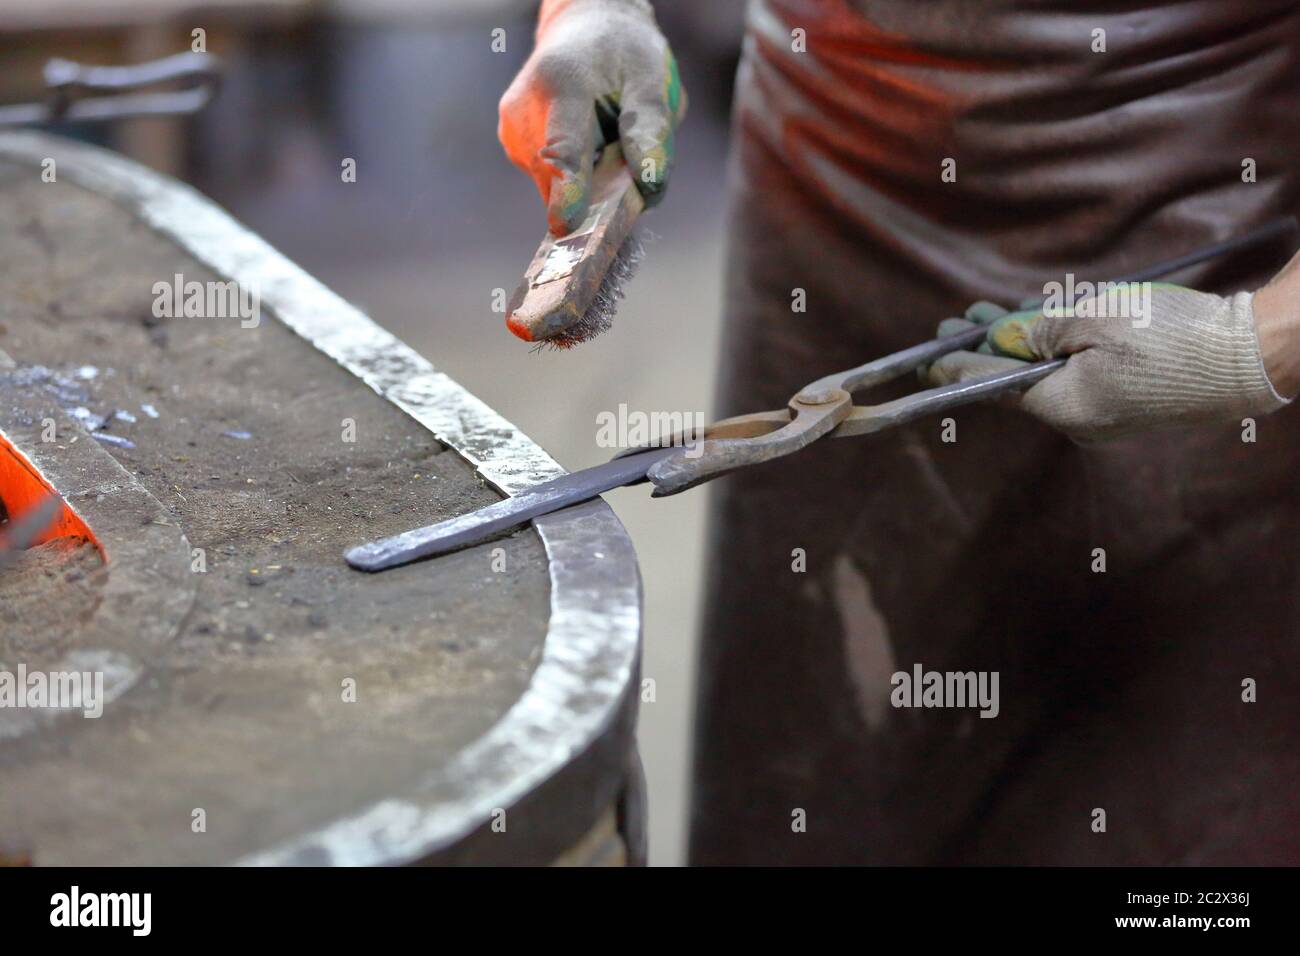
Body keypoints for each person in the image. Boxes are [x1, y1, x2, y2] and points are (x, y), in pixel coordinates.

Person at [499, 0, 1300, 864]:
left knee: (1169, 817)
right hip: (823, 187)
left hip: (1196, 203)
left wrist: (1251, 345)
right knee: (815, 771)